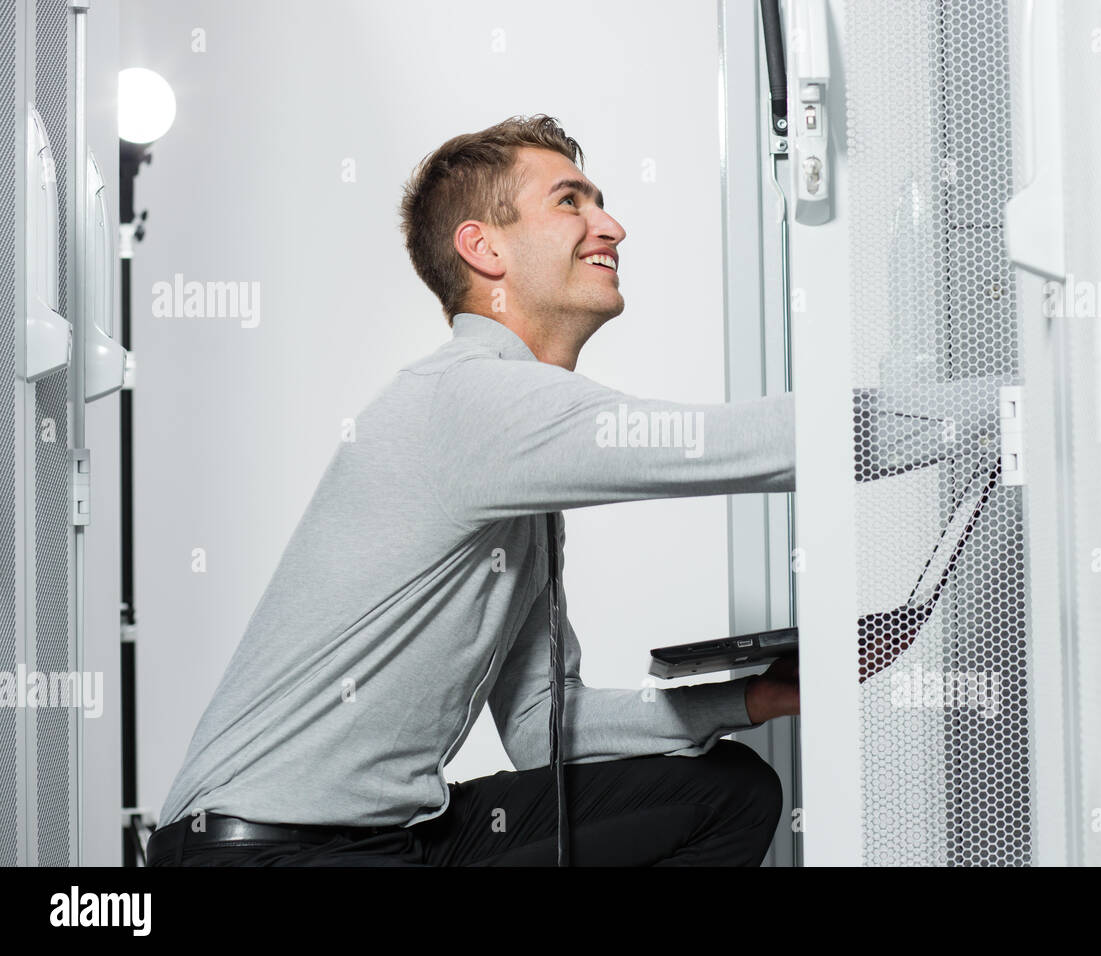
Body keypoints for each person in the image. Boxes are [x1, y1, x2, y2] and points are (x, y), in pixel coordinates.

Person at [146, 114, 798, 867]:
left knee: (724, 793)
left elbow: (541, 724)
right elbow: (743, 445)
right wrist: (960, 417)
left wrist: (755, 699)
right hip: (265, 855)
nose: (610, 226)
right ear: (483, 247)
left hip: (401, 840)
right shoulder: (471, 400)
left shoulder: (520, 458)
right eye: (571, 202)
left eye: (600, 202)